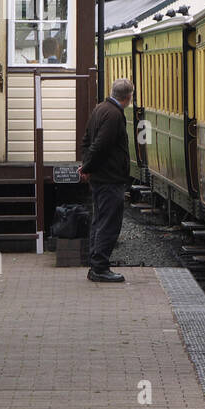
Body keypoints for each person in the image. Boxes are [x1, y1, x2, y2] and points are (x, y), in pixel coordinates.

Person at [79, 78, 133, 282]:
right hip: (110, 178)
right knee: (108, 223)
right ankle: (100, 268)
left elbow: (86, 141)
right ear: (128, 97)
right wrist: (87, 167)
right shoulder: (113, 115)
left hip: (101, 177)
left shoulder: (100, 109)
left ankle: (96, 265)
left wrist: (86, 166)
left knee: (99, 221)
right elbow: (101, 146)